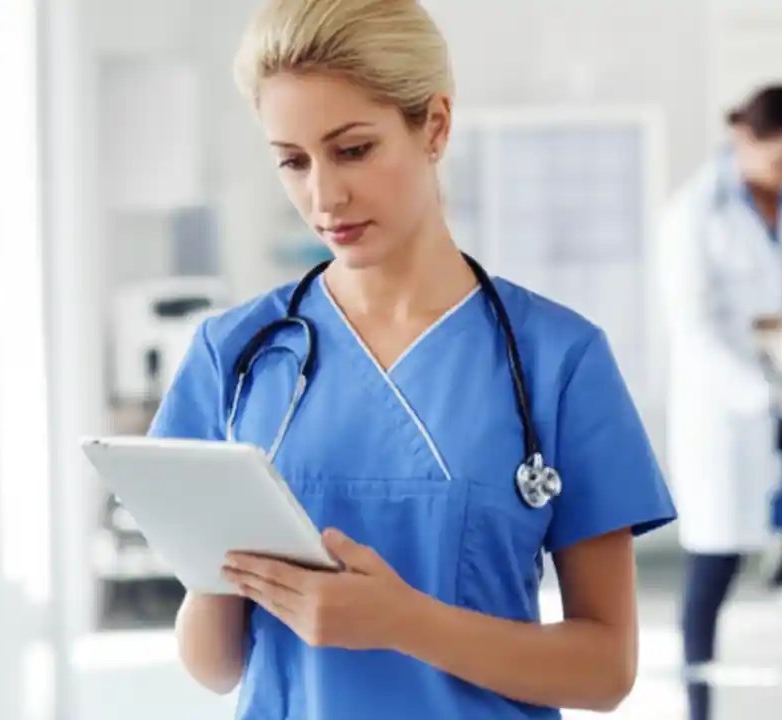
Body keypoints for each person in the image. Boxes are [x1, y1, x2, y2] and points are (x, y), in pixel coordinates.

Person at [149, 1, 677, 717]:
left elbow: (605, 670)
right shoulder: (234, 355)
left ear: (434, 125)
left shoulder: (558, 360)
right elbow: (213, 667)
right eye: (293, 162)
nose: (324, 196)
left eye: (353, 150)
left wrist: (402, 622)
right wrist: (221, 567)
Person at [658, 84, 782, 720]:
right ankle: (698, 700)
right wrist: (763, 394)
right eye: (781, 159)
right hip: (722, 400)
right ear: (744, 140)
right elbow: (694, 330)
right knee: (716, 554)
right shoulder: (693, 211)